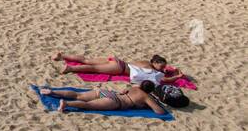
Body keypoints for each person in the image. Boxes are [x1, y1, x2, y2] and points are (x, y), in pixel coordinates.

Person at [39, 82, 169, 115]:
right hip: (115, 102)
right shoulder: (146, 96)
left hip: (108, 93)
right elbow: (159, 111)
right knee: (88, 105)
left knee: (78, 95)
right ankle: (66, 104)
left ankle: (52, 91)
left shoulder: (134, 87)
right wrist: (152, 101)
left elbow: (124, 90)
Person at [50, 52, 181, 85]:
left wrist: (166, 70)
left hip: (117, 60)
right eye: (162, 66)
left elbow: (161, 73)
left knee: (87, 60)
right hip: (119, 67)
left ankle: (62, 55)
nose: (163, 68)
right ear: (155, 63)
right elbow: (164, 79)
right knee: (93, 69)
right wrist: (177, 76)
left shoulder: (146, 62)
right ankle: (70, 69)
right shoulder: (151, 68)